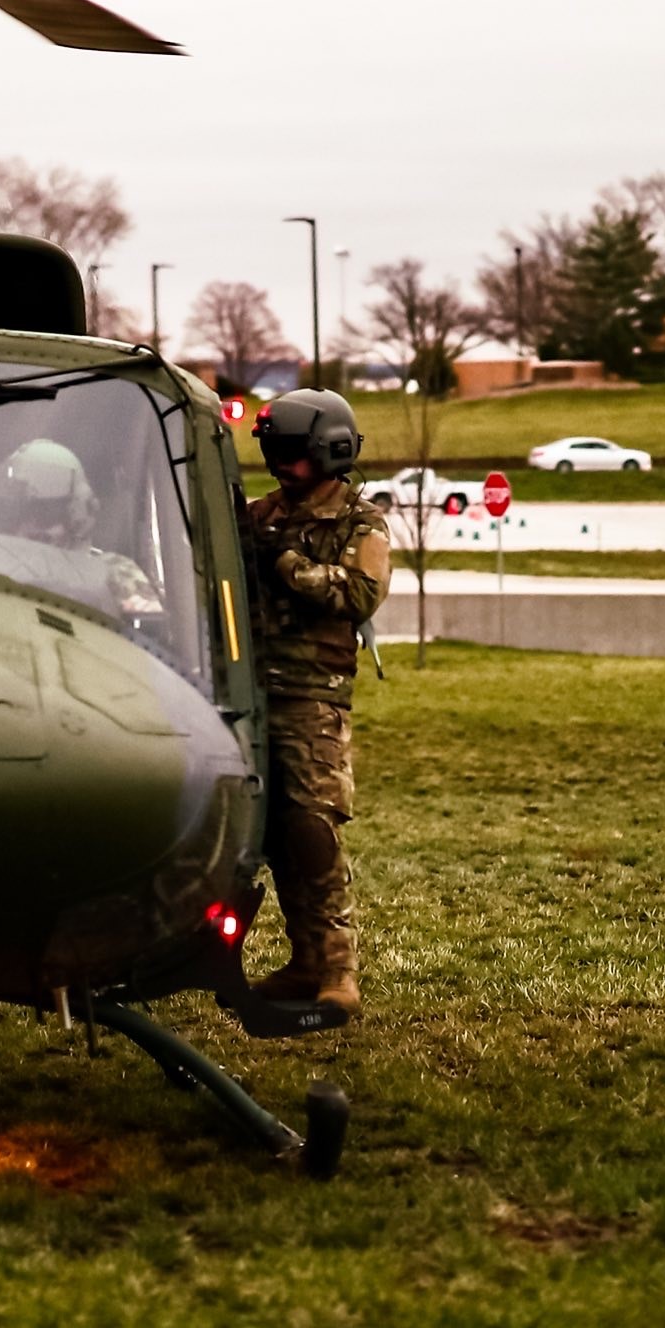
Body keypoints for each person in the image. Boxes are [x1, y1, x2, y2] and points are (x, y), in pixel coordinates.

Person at [240, 388, 389, 1017]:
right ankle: (305, 962)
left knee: (312, 829)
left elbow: (359, 595)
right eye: (275, 453)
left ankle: (338, 971)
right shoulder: (261, 513)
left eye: (293, 455)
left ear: (329, 452)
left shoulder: (363, 522)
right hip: (249, 691)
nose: (281, 466)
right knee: (272, 833)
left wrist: (289, 565)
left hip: (313, 697)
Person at [0, 439, 163, 616]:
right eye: (14, 515)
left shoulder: (113, 573)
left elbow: (146, 630)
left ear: (77, 516)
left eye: (44, 515)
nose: (25, 530)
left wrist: (138, 611)